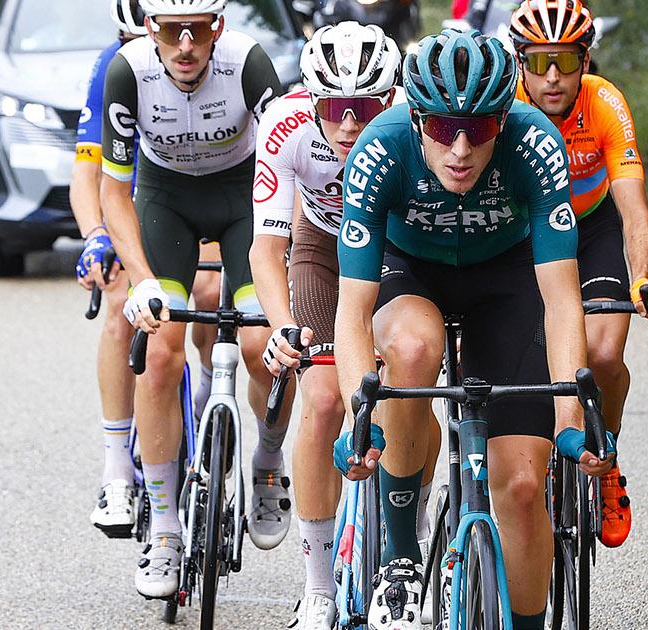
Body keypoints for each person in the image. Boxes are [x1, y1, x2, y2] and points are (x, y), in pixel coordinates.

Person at [331, 30, 615, 630]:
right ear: (414, 118)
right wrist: (360, 417)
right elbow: (352, 312)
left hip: (506, 277)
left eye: (480, 129)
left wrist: (569, 421)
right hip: (412, 270)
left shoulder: (535, 139)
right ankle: (402, 555)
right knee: (411, 349)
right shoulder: (379, 150)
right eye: (440, 129)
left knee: (518, 488)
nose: (460, 149)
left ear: (502, 122)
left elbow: (562, 301)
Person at [249, 22, 441, 629]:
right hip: (321, 246)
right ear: (312, 102)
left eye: (363, 108)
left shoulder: (416, 120)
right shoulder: (283, 124)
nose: (350, 125)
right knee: (326, 402)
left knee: (406, 383)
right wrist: (283, 329)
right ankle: (318, 586)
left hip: (392, 248)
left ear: (389, 101)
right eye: (335, 108)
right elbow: (264, 249)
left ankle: (405, 521)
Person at [98, 0, 289, 599]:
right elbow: (114, 191)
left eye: (198, 29)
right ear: (150, 28)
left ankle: (267, 461)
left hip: (245, 198)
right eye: (171, 30)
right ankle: (161, 531)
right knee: (158, 352)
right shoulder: (127, 72)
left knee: (263, 343)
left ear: (219, 29)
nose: (185, 44)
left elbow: (287, 161)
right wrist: (141, 278)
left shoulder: (249, 64)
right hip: (166, 202)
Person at [509, 0, 648, 548]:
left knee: (602, 356)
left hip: (591, 224)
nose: (551, 77)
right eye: (537, 63)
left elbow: (635, 216)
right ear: (519, 63)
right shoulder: (504, 107)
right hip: (525, 229)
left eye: (564, 61)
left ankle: (605, 459)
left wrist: (644, 278)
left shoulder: (604, 104)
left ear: (585, 61)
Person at [73, 0, 221, 539]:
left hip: (195, 201)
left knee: (209, 295)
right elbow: (86, 175)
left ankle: (208, 401)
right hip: (132, 207)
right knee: (120, 305)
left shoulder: (213, 61)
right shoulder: (111, 70)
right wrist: (94, 236)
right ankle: (116, 467)